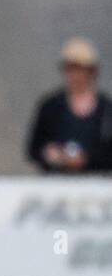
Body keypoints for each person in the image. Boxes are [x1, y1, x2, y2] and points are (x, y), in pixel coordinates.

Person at [27, 37, 111, 174]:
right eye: (70, 69)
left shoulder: (106, 110)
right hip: (57, 185)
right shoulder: (50, 106)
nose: (75, 75)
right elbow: (33, 149)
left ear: (92, 71)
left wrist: (87, 159)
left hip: (98, 188)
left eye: (80, 69)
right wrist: (51, 154)